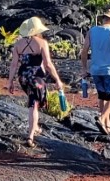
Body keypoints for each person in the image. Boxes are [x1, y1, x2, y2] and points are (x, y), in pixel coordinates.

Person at [6, 16, 66, 148]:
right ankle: (31, 135)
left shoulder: (18, 44)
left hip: (23, 76)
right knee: (35, 104)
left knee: (33, 102)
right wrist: (57, 80)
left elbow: (14, 64)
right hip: (36, 77)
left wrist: (10, 82)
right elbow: (48, 64)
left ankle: (35, 127)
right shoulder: (42, 43)